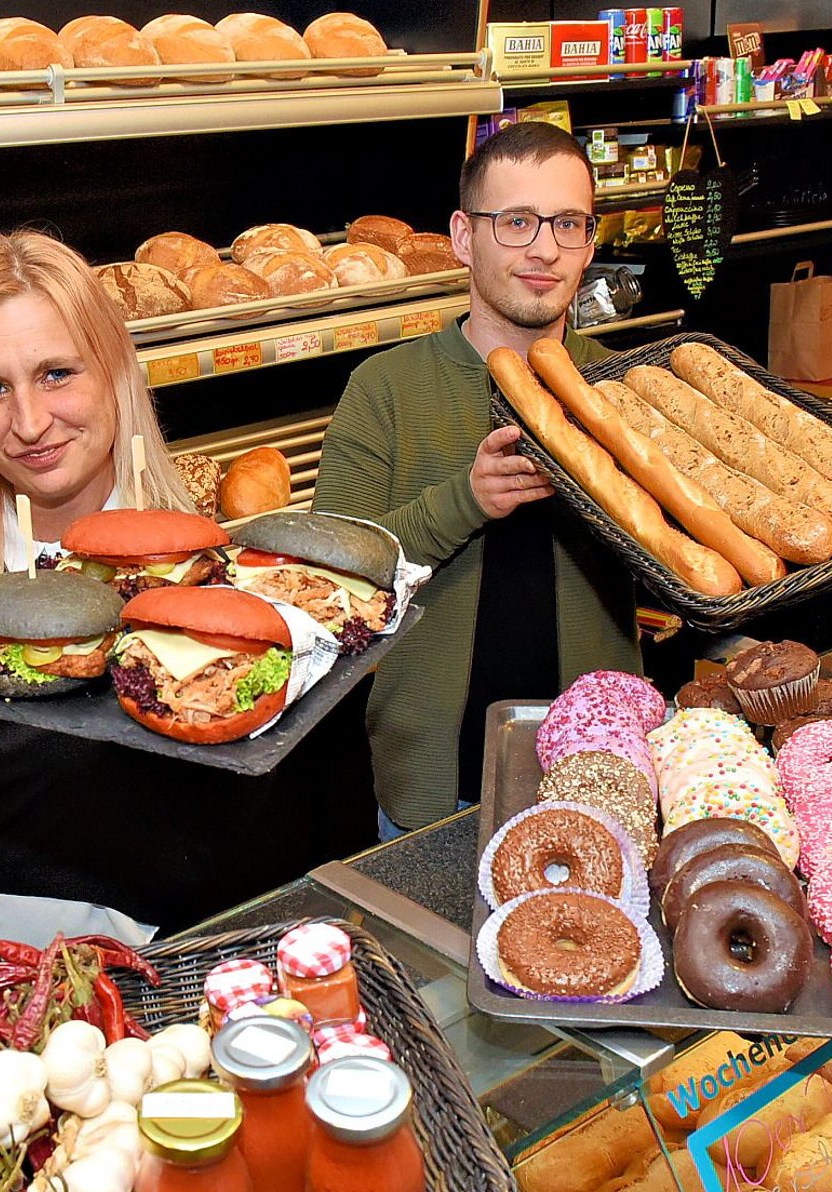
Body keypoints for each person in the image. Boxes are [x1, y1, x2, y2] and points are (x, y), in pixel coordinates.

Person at [0, 231, 373, 972]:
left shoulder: (199, 555)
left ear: (113, 371)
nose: (32, 423)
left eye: (57, 374)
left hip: (146, 958)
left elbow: (299, 779)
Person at [313, 121, 641, 838]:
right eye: (516, 222)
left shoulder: (629, 388)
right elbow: (332, 578)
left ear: (590, 241)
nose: (545, 249)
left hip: (599, 782)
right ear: (465, 237)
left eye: (568, 223)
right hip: (432, 794)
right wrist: (467, 499)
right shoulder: (388, 388)